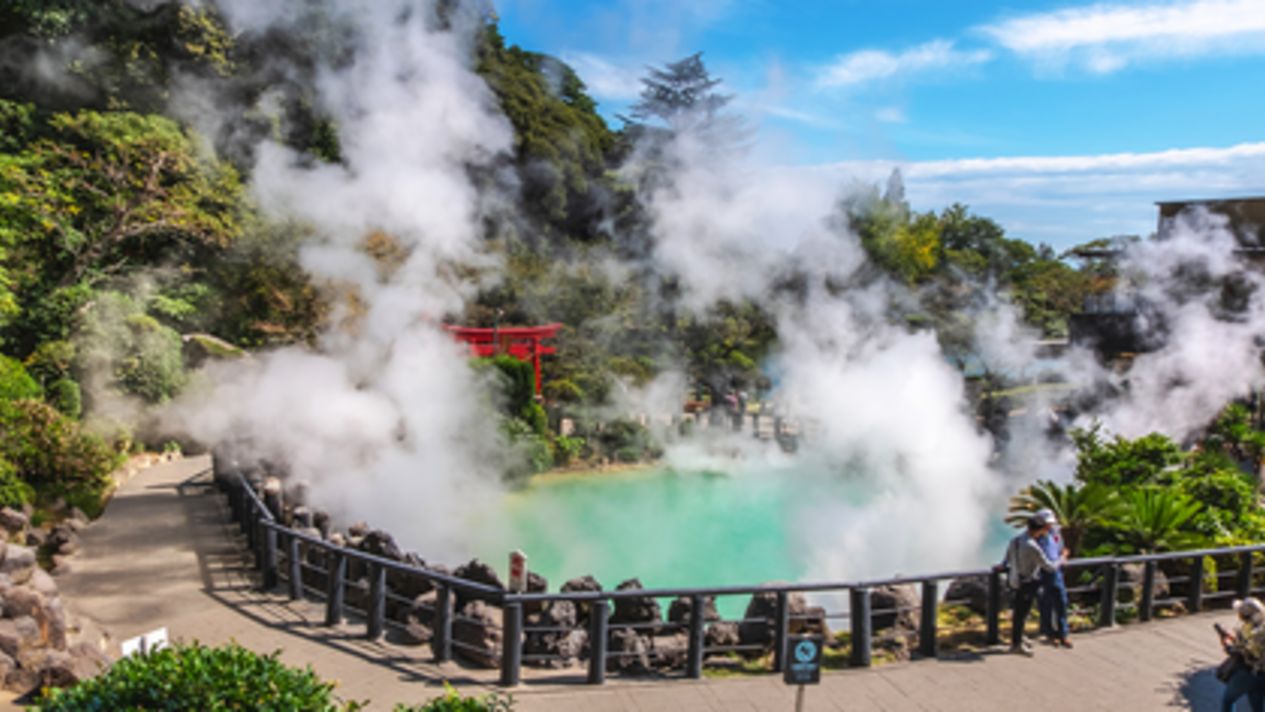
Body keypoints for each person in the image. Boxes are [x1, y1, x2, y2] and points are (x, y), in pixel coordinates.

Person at [1002, 514, 1066, 656]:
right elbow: (1049, 566)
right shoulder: (1032, 546)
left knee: (1019, 612)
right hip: (1028, 582)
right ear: (1039, 530)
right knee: (1022, 613)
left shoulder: (1016, 540)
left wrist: (1002, 566)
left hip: (1015, 580)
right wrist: (1062, 558)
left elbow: (1007, 558)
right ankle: (1016, 644)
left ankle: (1019, 638)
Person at [1220, 597, 1265, 712]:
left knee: (1228, 700)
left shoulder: (1249, 631)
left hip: (1248, 672)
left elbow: (1239, 652)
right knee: (1257, 706)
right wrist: (1234, 638)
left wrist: (1226, 644)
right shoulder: (1261, 627)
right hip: (1262, 674)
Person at [1036, 509, 1072, 648]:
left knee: (1061, 601)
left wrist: (1063, 555)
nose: (1049, 525)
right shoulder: (1035, 536)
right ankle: (1050, 633)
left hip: (1056, 571)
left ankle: (1063, 633)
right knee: (1046, 603)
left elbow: (1061, 549)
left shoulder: (1055, 533)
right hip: (1042, 572)